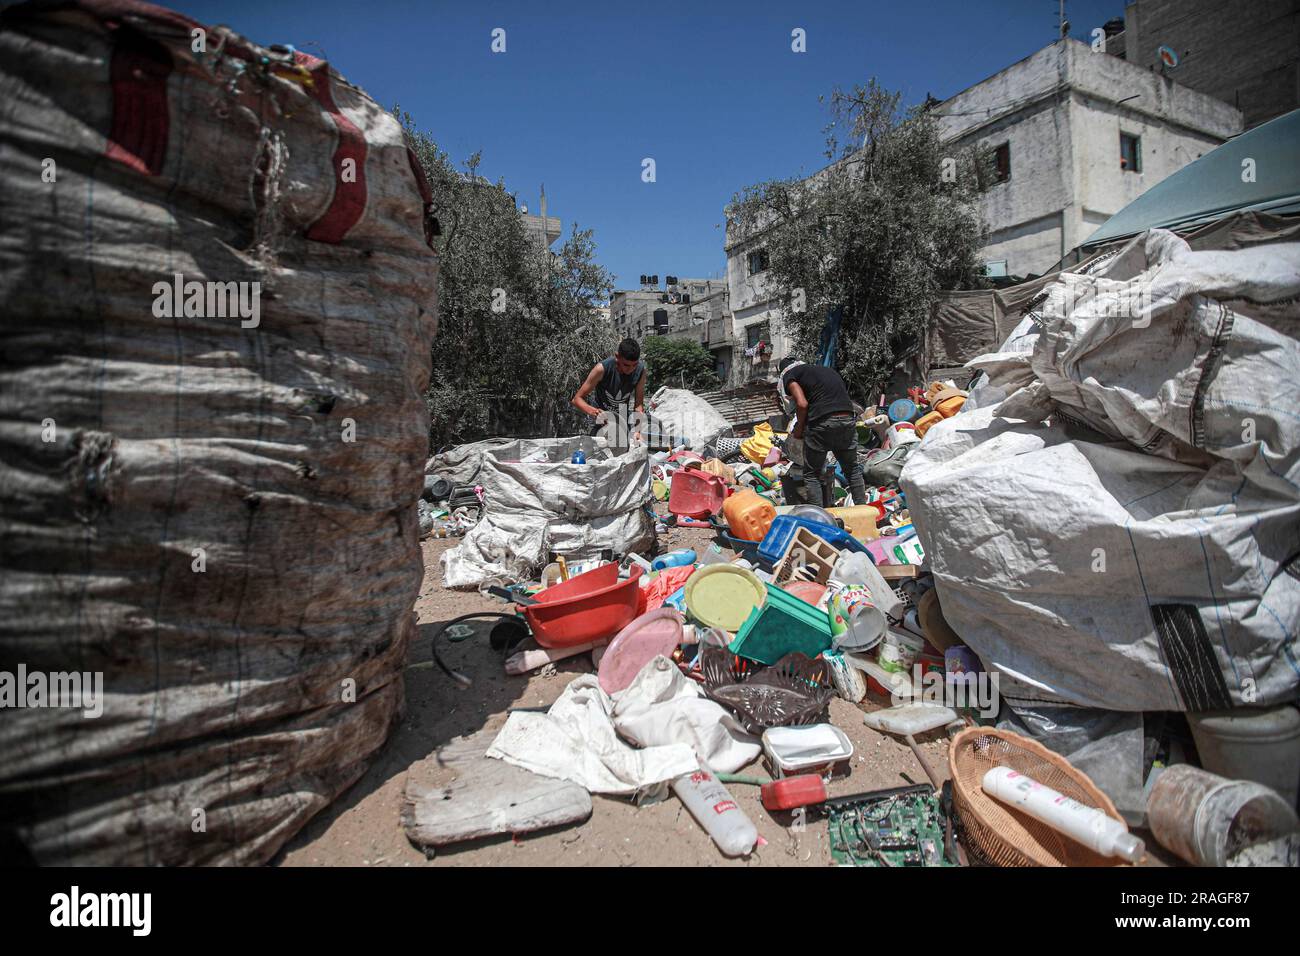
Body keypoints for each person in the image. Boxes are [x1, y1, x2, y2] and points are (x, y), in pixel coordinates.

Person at [778, 357, 867, 507]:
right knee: (852, 470)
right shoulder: (824, 370)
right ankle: (864, 512)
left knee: (812, 474)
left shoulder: (790, 375)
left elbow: (802, 403)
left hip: (823, 422)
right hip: (848, 419)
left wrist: (799, 430)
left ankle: (820, 518)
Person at [572, 338, 646, 443]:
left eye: (634, 365)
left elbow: (638, 405)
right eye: (626, 365)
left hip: (621, 420)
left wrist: (638, 431)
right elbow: (576, 399)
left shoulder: (641, 371)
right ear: (617, 357)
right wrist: (595, 412)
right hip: (599, 422)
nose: (630, 369)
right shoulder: (602, 369)